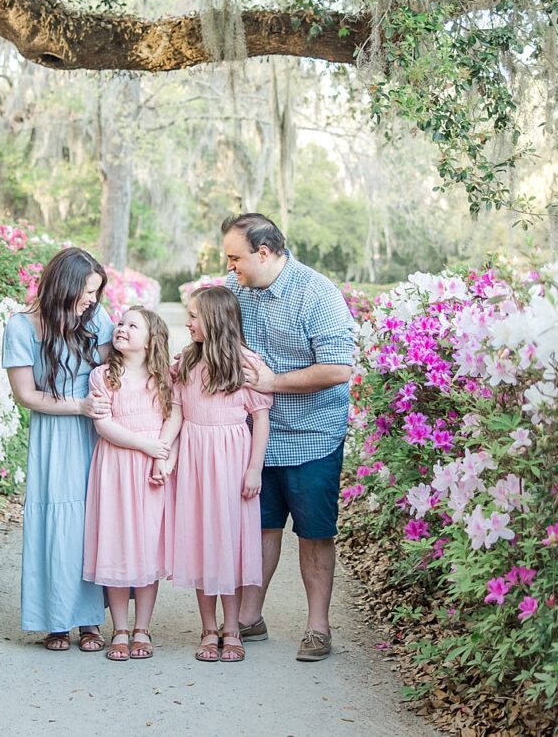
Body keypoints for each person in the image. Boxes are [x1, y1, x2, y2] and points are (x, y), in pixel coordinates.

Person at [221, 213, 356, 663]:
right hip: (255, 435)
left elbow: (338, 369)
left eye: (236, 257)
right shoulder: (235, 289)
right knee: (259, 526)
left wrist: (273, 382)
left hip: (313, 434)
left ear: (264, 252)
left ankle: (318, 627)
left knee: (314, 532)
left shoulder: (317, 294)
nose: (230, 266)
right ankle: (248, 618)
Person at [2, 246, 114, 652]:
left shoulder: (94, 318)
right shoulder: (22, 327)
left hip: (97, 431)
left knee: (92, 521)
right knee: (56, 523)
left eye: (96, 293)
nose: (91, 300)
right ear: (63, 285)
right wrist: (77, 405)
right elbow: (25, 395)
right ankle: (55, 618)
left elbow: (117, 359)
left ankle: (90, 619)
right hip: (55, 432)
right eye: (86, 291)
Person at [165, 285, 272, 663]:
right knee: (201, 542)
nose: (188, 322)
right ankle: (208, 628)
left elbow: (260, 419)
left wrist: (254, 468)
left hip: (231, 459)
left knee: (229, 543)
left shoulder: (246, 364)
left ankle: (232, 628)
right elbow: (177, 413)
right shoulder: (186, 364)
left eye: (194, 316)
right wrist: (168, 455)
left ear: (215, 320)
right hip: (195, 460)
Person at [83, 307, 182, 661]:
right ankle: (120, 629)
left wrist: (162, 456)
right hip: (116, 466)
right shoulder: (103, 376)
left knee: (146, 544)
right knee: (116, 541)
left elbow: (175, 416)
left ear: (152, 338)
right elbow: (103, 425)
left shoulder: (165, 378)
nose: (121, 328)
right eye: (120, 323)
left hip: (150, 471)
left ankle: (143, 627)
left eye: (131, 325)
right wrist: (145, 445)